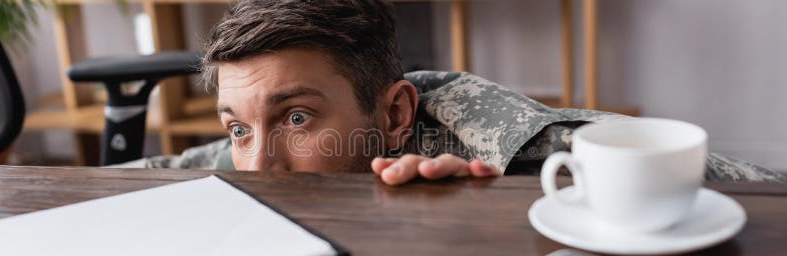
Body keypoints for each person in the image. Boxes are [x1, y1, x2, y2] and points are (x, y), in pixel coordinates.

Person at [116, 0, 786, 184]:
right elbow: (148, 178)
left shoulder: (527, 154)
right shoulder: (253, 159)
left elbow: (750, 191)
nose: (257, 164)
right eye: (237, 126)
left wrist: (489, 217)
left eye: (295, 117)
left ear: (395, 113)